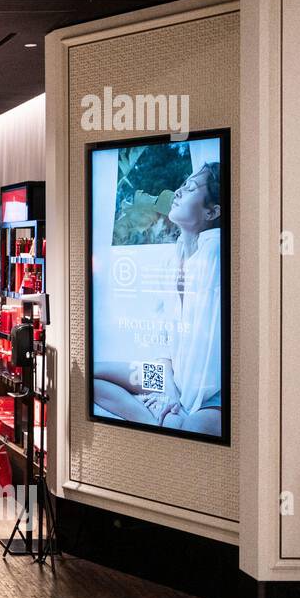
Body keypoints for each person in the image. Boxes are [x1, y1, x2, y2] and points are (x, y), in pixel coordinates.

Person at [92, 162, 223, 436]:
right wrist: (168, 390)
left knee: (190, 427)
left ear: (212, 212)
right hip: (170, 377)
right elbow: (166, 343)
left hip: (209, 392)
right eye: (183, 184)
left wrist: (178, 400)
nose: (178, 191)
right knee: (90, 376)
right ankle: (154, 420)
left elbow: (206, 353)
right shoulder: (173, 257)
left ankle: (167, 417)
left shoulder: (214, 253)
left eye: (190, 188)